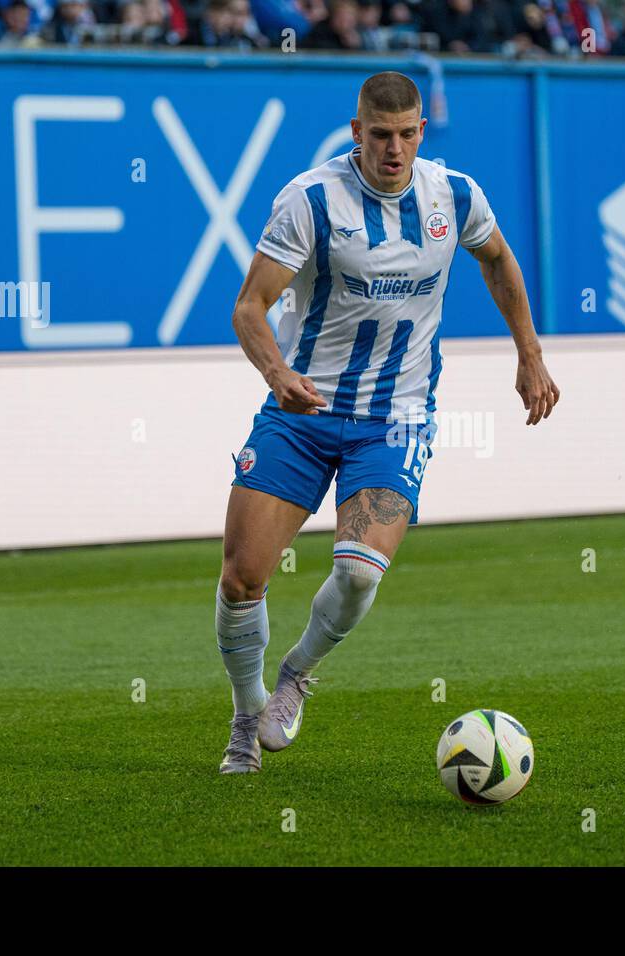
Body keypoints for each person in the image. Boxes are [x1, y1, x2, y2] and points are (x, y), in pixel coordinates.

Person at [216, 71, 559, 773]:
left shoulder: (454, 195)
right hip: (301, 411)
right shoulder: (310, 200)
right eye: (380, 136)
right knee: (243, 577)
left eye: (406, 135)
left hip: (395, 418)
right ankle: (247, 713)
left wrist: (529, 353)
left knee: (360, 575)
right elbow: (250, 307)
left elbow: (497, 260)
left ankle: (298, 674)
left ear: (421, 134)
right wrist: (278, 375)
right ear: (356, 133)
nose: (393, 151)